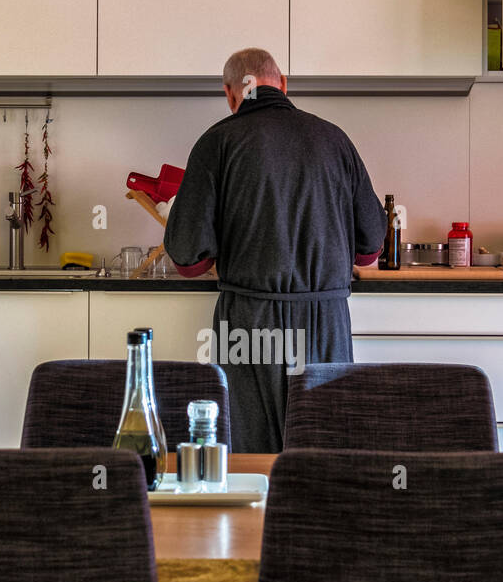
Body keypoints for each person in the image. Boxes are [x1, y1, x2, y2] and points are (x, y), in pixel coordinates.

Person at [164, 48, 387, 453]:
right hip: (325, 321)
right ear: (284, 85)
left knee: (252, 453)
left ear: (230, 94)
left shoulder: (217, 142)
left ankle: (258, 517)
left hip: (249, 322)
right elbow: (370, 245)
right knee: (323, 445)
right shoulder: (334, 139)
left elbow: (187, 257)